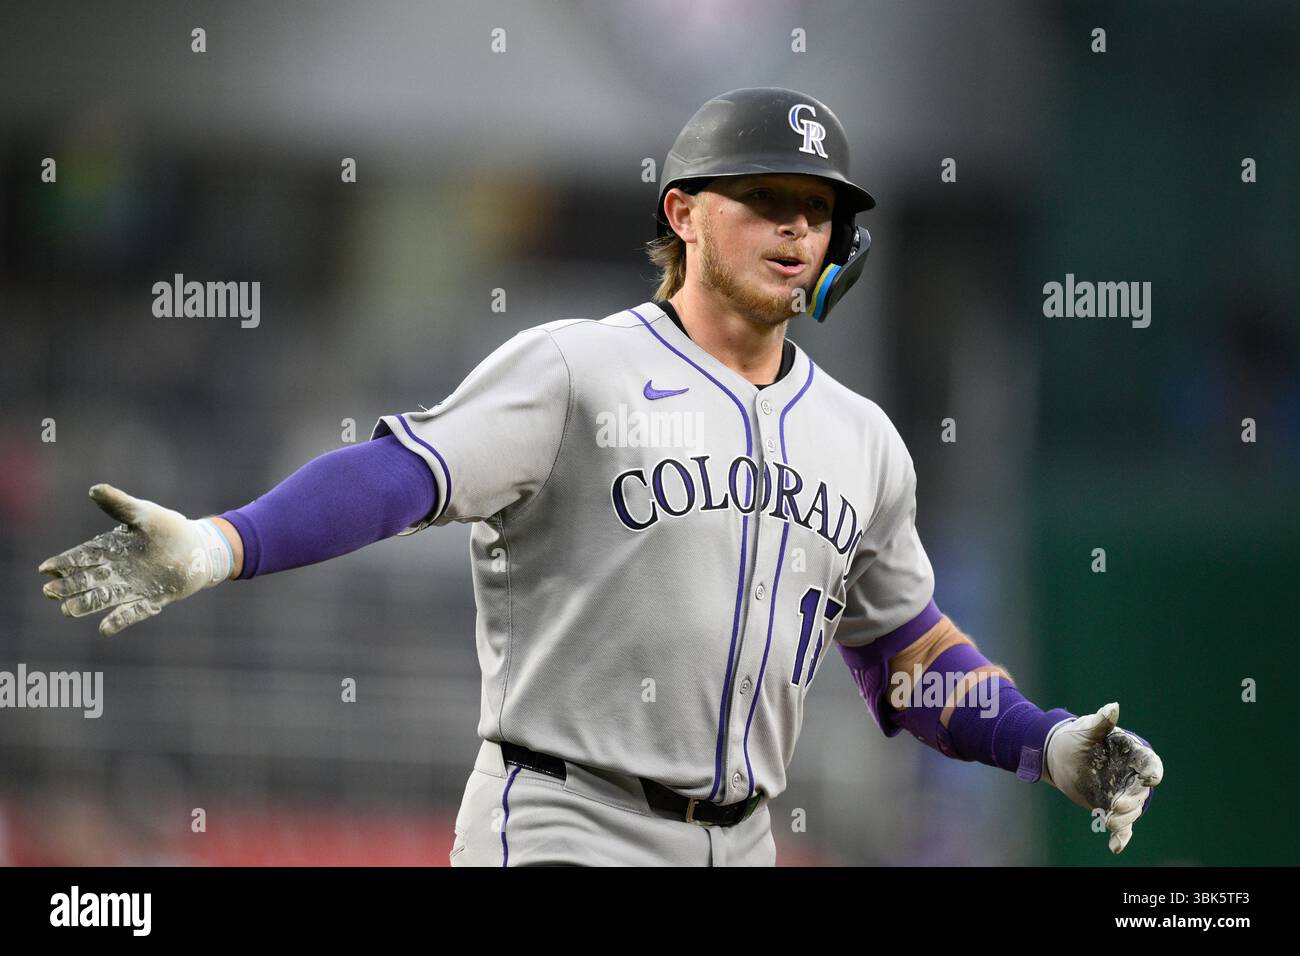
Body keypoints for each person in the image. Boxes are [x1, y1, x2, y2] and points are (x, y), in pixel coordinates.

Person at [37, 88, 1163, 866]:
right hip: (566, 820)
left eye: (816, 209)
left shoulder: (862, 437)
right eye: (765, 197)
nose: (795, 226)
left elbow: (906, 657)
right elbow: (400, 474)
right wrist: (220, 542)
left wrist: (1042, 740)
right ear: (682, 212)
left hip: (745, 838)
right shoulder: (579, 364)